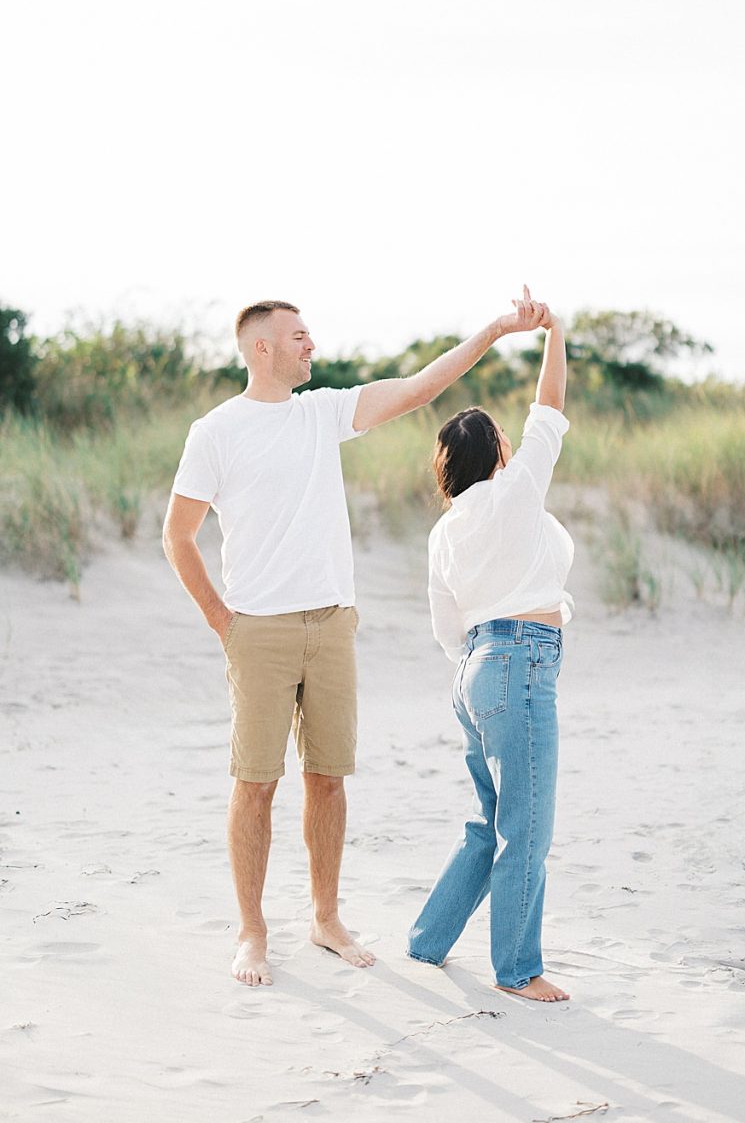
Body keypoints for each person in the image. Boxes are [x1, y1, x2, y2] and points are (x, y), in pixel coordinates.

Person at [163, 288, 549, 987]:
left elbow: (419, 387)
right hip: (259, 629)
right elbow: (178, 534)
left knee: (329, 779)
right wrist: (224, 622)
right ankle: (253, 930)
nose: (311, 344)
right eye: (298, 335)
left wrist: (494, 330)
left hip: (333, 622)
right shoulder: (214, 431)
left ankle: (325, 917)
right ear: (262, 348)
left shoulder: (322, 412)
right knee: (255, 784)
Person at [405, 308, 574, 1003]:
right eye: (507, 437)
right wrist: (554, 334)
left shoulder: (445, 531)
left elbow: (447, 626)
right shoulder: (516, 490)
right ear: (498, 451)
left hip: (474, 669)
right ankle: (517, 969)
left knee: (490, 820)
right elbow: (551, 410)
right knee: (525, 827)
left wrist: (481, 668)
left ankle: (428, 939)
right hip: (518, 663)